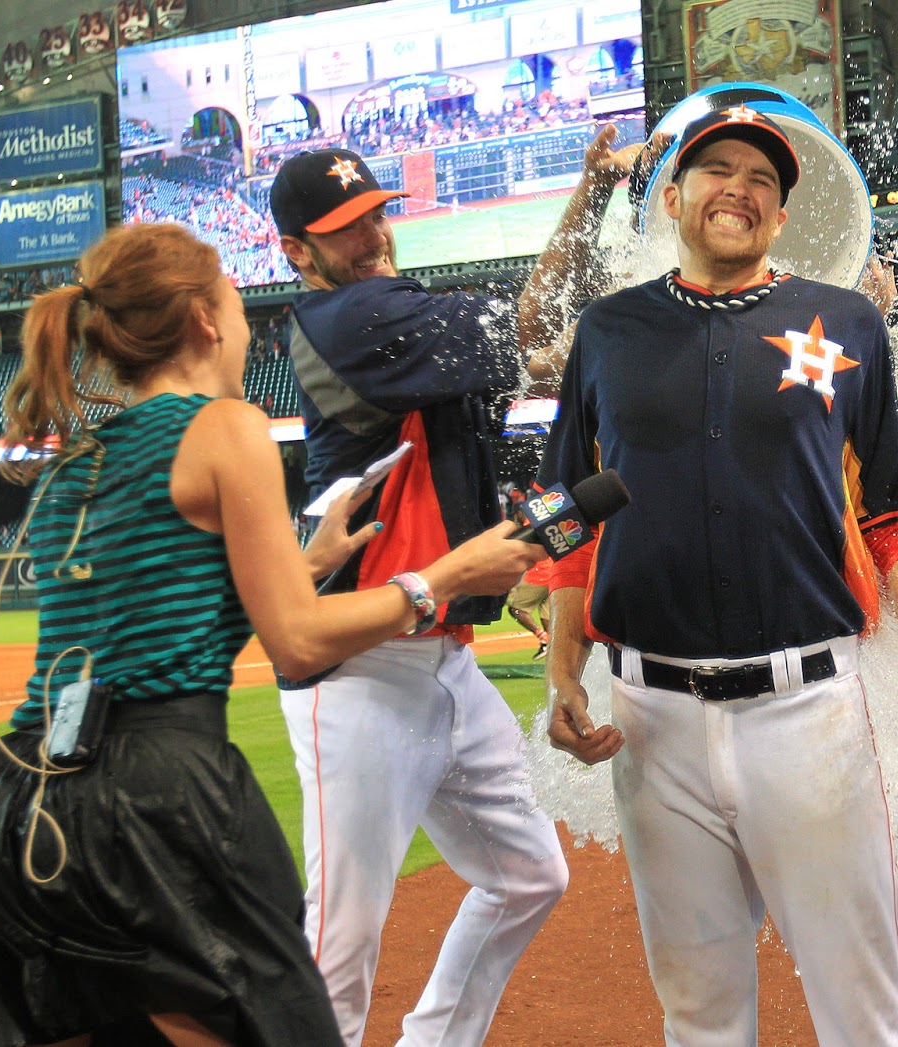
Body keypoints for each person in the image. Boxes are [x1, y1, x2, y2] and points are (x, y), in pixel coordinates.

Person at [0, 224, 542, 1047]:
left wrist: (299, 558)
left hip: (7, 805)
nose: (251, 326)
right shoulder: (226, 425)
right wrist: (442, 577)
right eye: (234, 301)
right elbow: (297, 642)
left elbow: (151, 610)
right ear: (206, 319)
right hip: (157, 796)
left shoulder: (77, 456)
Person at [537, 105, 898, 1045]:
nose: (738, 188)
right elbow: (578, 519)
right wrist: (560, 670)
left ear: (781, 216)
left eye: (762, 180)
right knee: (699, 1014)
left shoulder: (847, 320)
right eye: (717, 169)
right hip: (652, 721)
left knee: (860, 1008)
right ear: (672, 194)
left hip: (808, 711)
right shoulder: (606, 330)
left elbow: (891, 514)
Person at [266, 139, 629, 1045]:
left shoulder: (416, 339)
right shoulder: (341, 324)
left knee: (529, 875)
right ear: (296, 253)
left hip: (447, 664)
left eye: (375, 215)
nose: (371, 237)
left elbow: (534, 345)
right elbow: (532, 330)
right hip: (358, 669)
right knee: (337, 948)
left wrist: (590, 192)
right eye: (343, 230)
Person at [507, 557, 553, 659]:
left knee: (517, 610)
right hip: (553, 572)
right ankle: (556, 650)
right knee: (547, 615)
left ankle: (544, 638)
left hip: (538, 574)